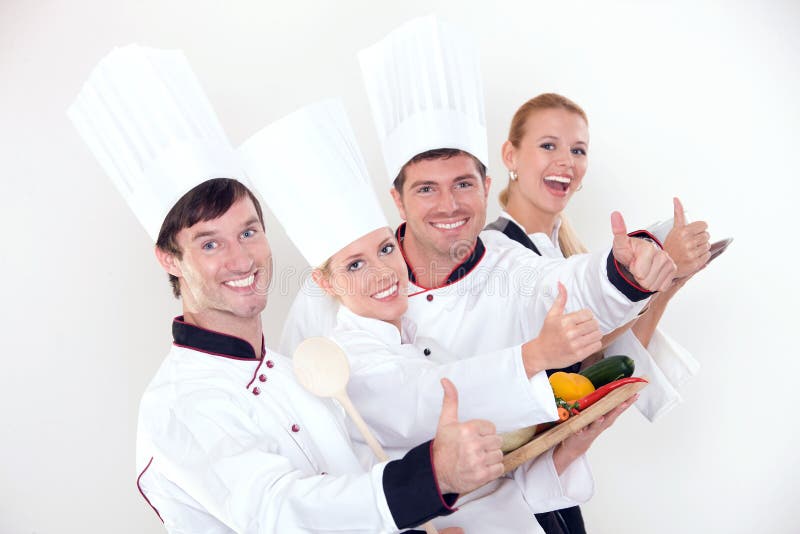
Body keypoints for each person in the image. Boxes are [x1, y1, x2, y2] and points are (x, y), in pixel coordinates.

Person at [68, 44, 505, 534]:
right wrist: (431, 476)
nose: (240, 259)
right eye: (209, 244)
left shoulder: (290, 371)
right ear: (170, 258)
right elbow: (278, 511)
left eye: (249, 232)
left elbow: (353, 487)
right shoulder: (180, 403)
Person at [279, 17, 676, 533]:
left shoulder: (507, 264)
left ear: (488, 185)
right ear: (396, 199)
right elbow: (310, 427)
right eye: (426, 189)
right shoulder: (323, 301)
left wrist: (624, 274)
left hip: (517, 507)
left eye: (463, 183)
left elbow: (571, 285)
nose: (450, 205)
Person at [485, 92, 709, 533]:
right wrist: (650, 278)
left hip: (554, 477)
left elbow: (594, 369)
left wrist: (668, 282)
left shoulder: (563, 252)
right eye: (548, 145)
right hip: (506, 494)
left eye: (578, 150)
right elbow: (568, 342)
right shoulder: (496, 254)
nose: (565, 161)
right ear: (510, 155)